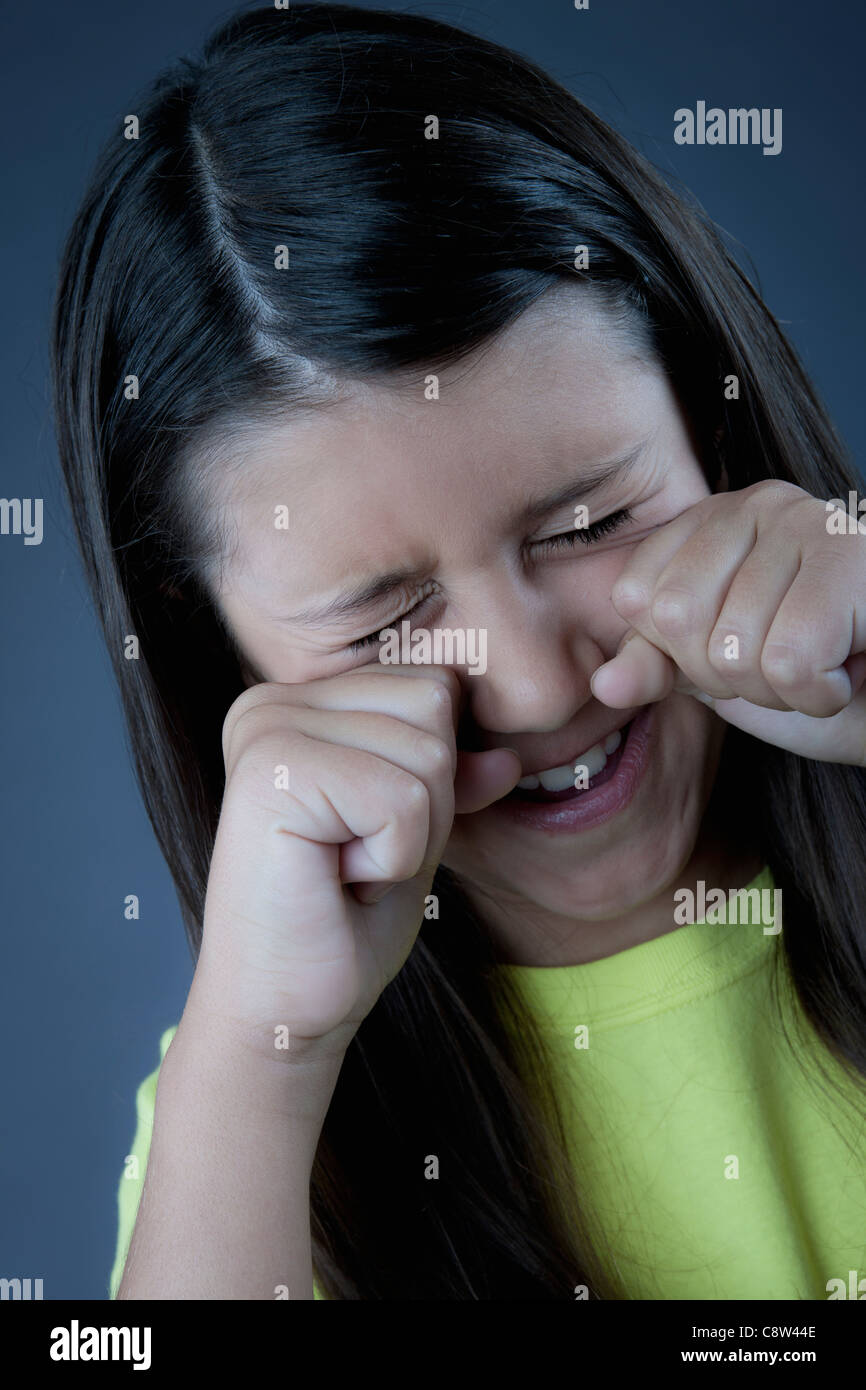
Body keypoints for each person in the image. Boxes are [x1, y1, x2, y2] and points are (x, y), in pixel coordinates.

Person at [51, 3, 866, 1301]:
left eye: (593, 521)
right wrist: (265, 1060)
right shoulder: (245, 1137)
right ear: (210, 637)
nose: (545, 686)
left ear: (708, 422)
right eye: (383, 620)